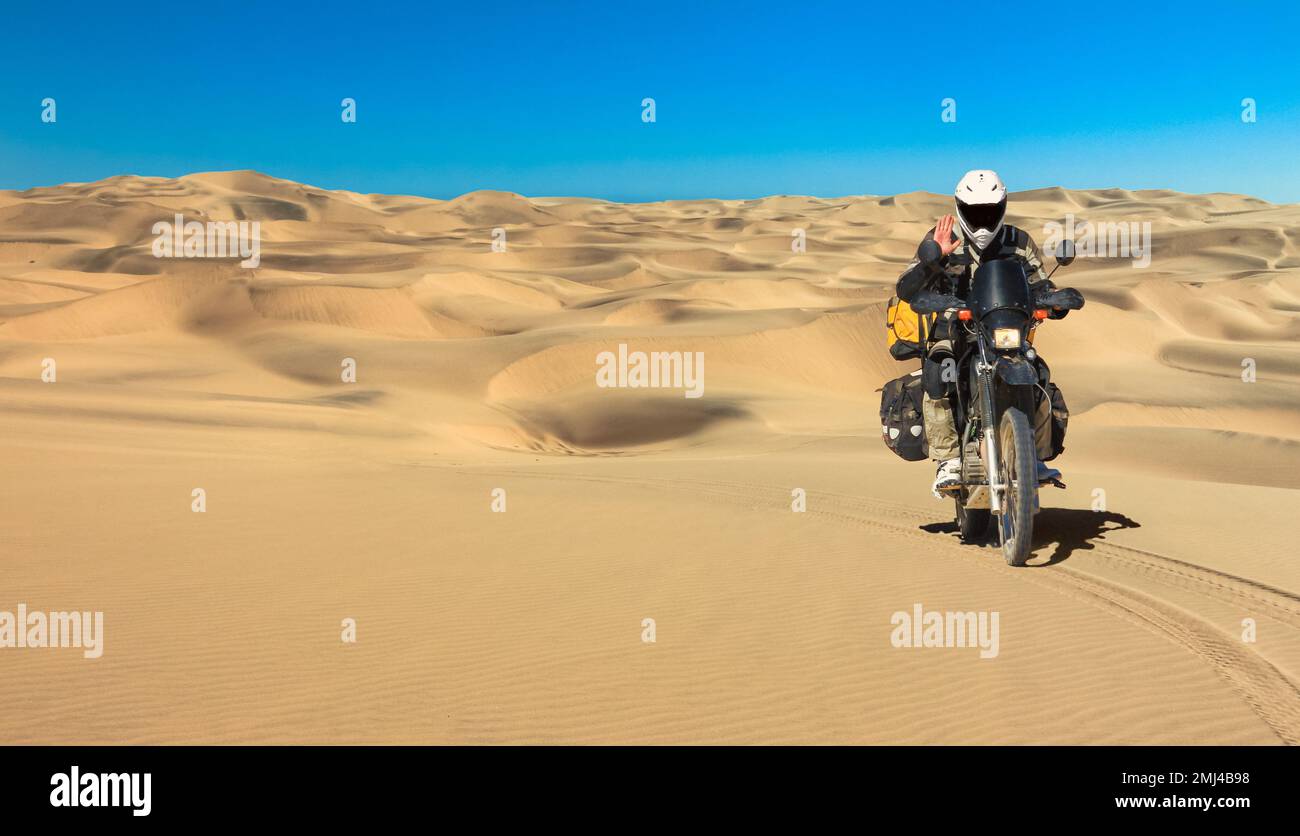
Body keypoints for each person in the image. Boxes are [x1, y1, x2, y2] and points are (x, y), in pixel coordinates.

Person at [894, 170, 1068, 496]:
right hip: (952, 326)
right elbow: (906, 288)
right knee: (939, 371)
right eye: (975, 213)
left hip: (1004, 327)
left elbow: (1039, 282)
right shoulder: (940, 237)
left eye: (990, 212)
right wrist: (934, 259)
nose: (983, 222)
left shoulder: (1018, 241)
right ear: (960, 208)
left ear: (1002, 208)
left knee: (1037, 372)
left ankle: (1035, 457)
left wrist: (1054, 299)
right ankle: (947, 460)